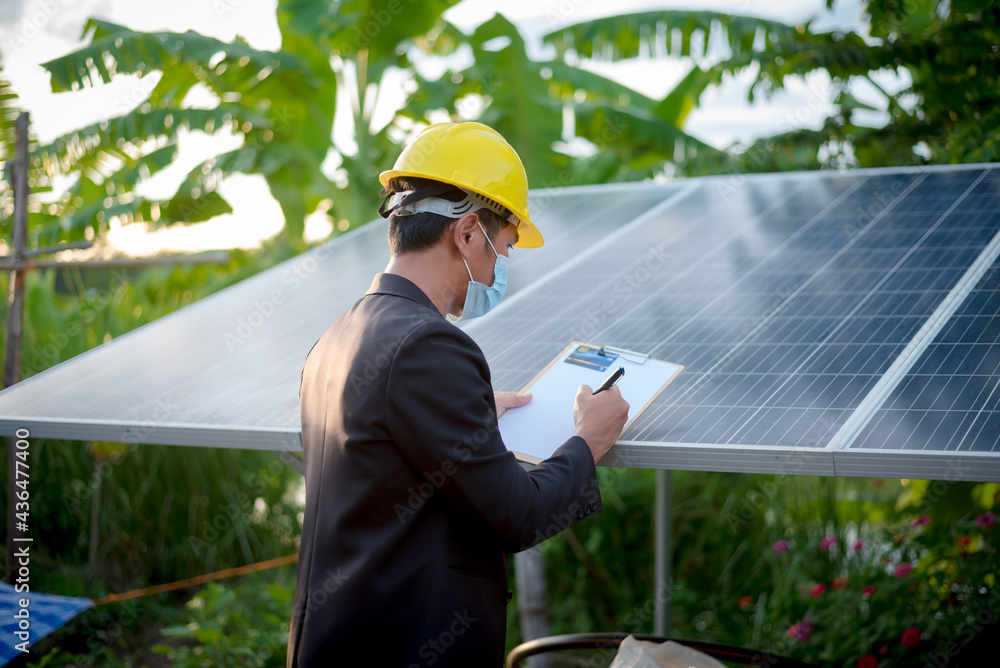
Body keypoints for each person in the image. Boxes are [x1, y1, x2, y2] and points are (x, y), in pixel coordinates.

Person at [287, 122, 629, 667]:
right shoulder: (427, 345)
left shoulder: (338, 336)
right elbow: (517, 515)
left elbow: (382, 461)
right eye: (503, 248)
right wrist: (589, 439)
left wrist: (469, 419)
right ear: (468, 232)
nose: (499, 270)